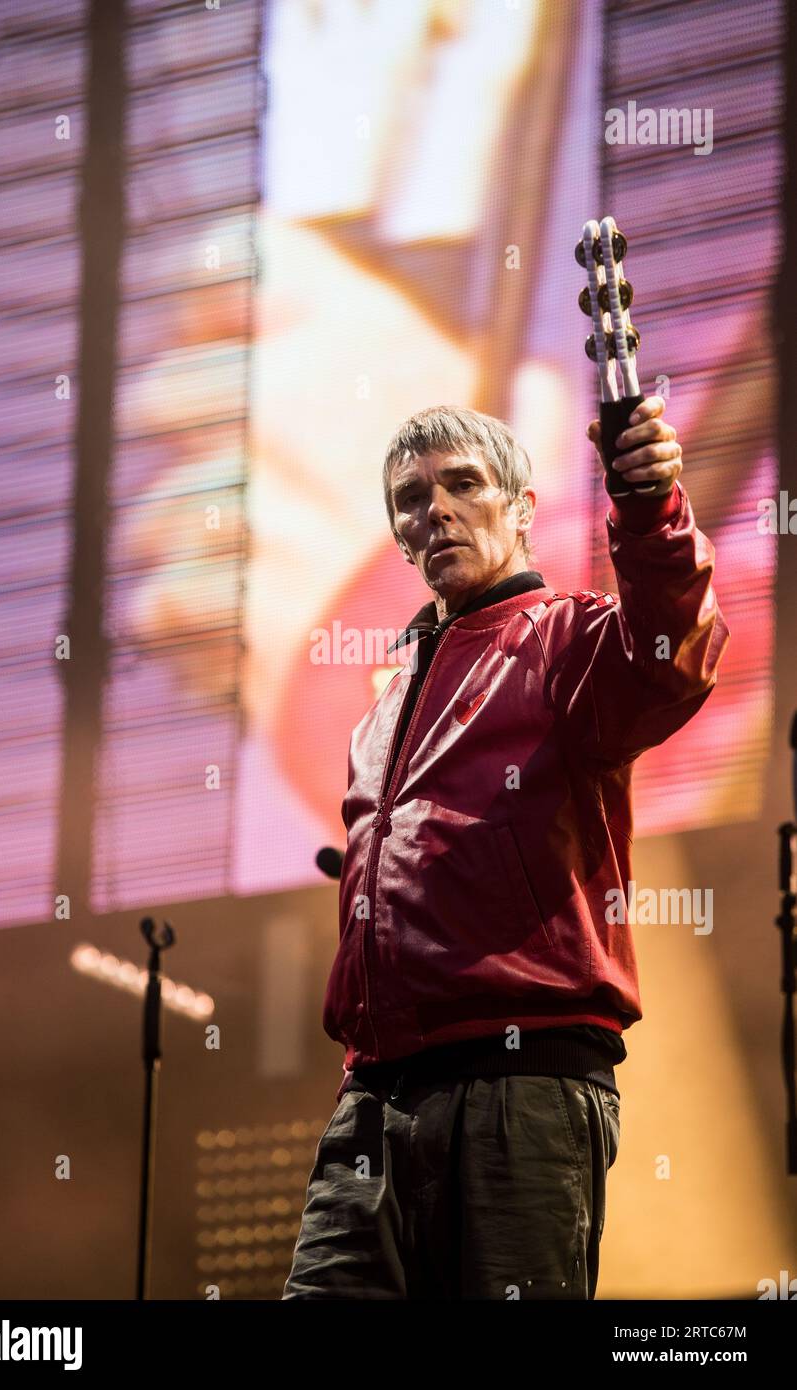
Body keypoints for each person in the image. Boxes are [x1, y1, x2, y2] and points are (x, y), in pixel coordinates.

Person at [282, 397, 729, 1300]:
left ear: (523, 508)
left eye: (463, 485)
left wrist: (649, 510)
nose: (434, 510)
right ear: (398, 538)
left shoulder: (567, 640)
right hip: (372, 1099)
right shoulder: (384, 698)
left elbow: (669, 652)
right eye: (411, 499)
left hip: (517, 1085)